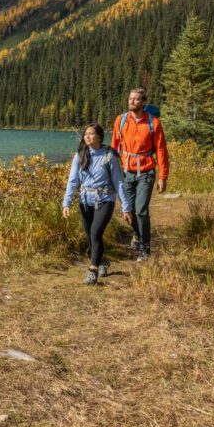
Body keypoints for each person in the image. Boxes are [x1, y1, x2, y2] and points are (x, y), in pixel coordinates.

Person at [62, 124, 127, 284]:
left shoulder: (109, 156)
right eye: (86, 134)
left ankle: (92, 271)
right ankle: (102, 261)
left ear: (99, 137)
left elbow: (119, 182)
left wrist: (126, 207)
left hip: (105, 200)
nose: (87, 136)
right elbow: (72, 181)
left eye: (91, 134)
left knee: (95, 233)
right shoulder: (80, 155)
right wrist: (66, 202)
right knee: (91, 237)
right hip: (85, 201)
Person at [112, 87, 168, 261]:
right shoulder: (121, 120)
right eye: (130, 98)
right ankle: (137, 234)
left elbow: (161, 150)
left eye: (136, 99)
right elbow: (114, 147)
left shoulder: (153, 122)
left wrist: (163, 177)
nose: (132, 101)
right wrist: (110, 172)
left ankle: (145, 249)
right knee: (128, 210)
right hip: (126, 172)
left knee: (141, 211)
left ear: (143, 102)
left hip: (146, 172)